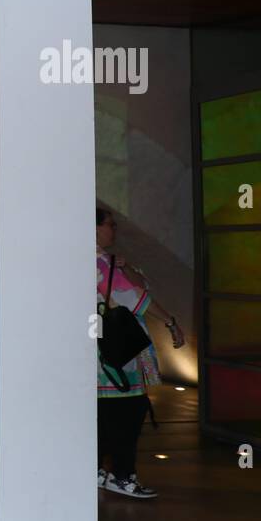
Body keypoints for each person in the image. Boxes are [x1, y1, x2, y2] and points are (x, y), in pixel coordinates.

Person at [96, 205, 185, 500]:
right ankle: (123, 475)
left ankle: (97, 470)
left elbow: (137, 283)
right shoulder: (100, 264)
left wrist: (122, 265)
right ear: (95, 228)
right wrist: (170, 321)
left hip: (100, 352)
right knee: (129, 413)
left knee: (104, 415)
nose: (114, 230)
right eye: (110, 224)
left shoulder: (102, 262)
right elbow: (136, 298)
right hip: (118, 355)